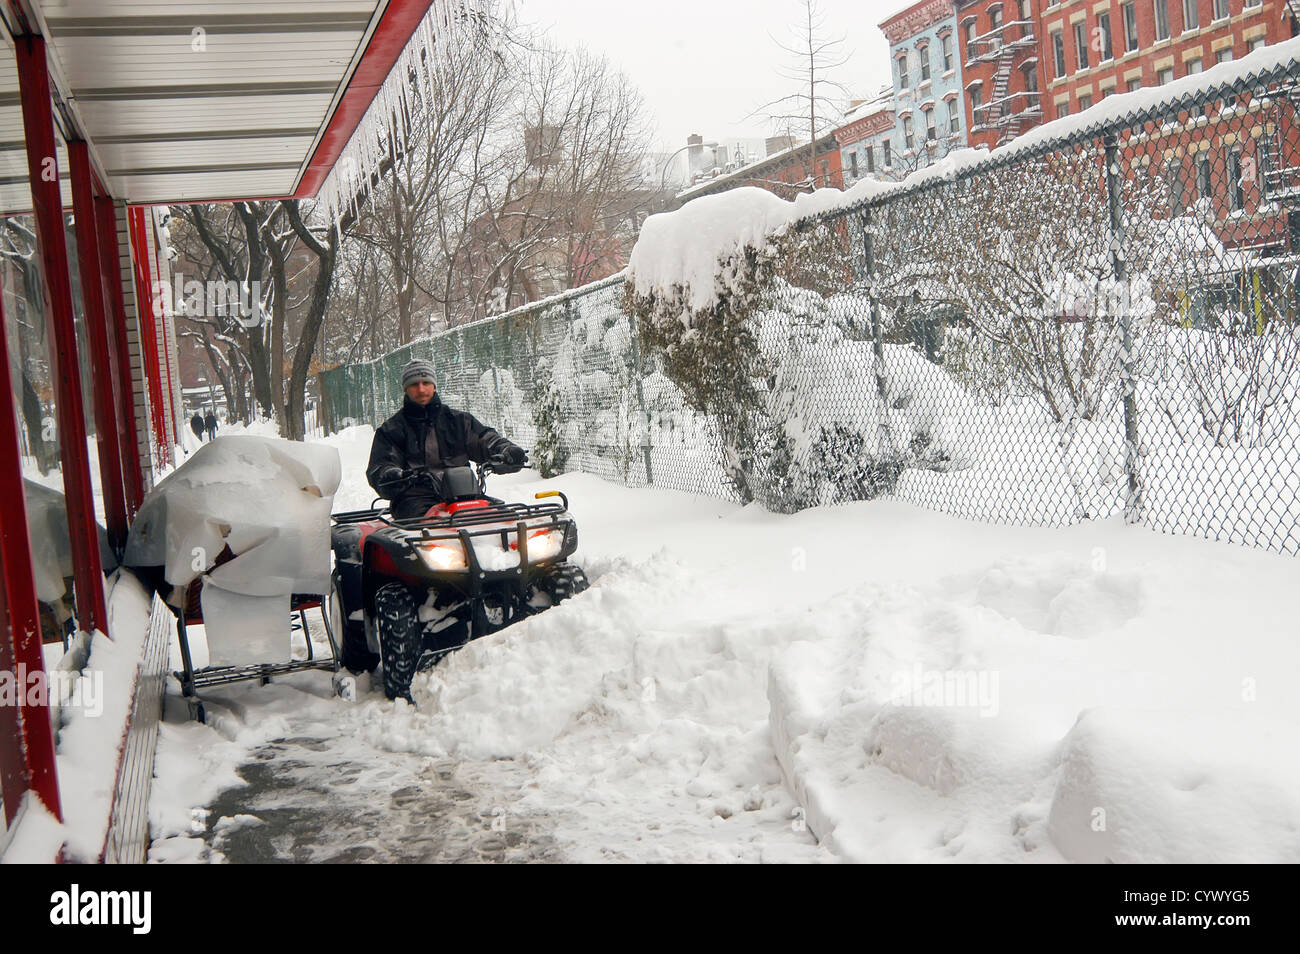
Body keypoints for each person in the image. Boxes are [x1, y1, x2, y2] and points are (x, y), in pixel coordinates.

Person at [366, 358, 528, 520]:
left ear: (434, 385)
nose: (421, 389)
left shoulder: (458, 421)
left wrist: (507, 450)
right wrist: (392, 475)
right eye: (414, 384)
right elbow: (380, 467)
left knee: (504, 521)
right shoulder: (392, 429)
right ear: (406, 388)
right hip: (415, 500)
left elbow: (485, 440)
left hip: (465, 495)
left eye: (426, 382)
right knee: (429, 529)